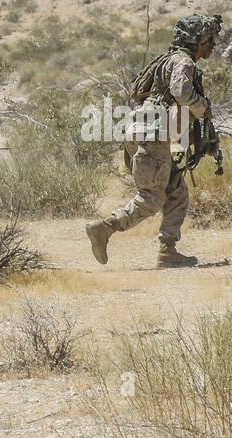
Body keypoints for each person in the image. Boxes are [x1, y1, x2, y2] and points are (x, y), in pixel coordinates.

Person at [85, 14, 222, 268]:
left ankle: (167, 251)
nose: (213, 45)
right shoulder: (183, 62)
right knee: (151, 197)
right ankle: (104, 228)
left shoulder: (166, 60)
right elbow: (182, 93)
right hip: (154, 134)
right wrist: (203, 107)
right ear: (197, 40)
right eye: (210, 39)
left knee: (176, 192)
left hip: (142, 130)